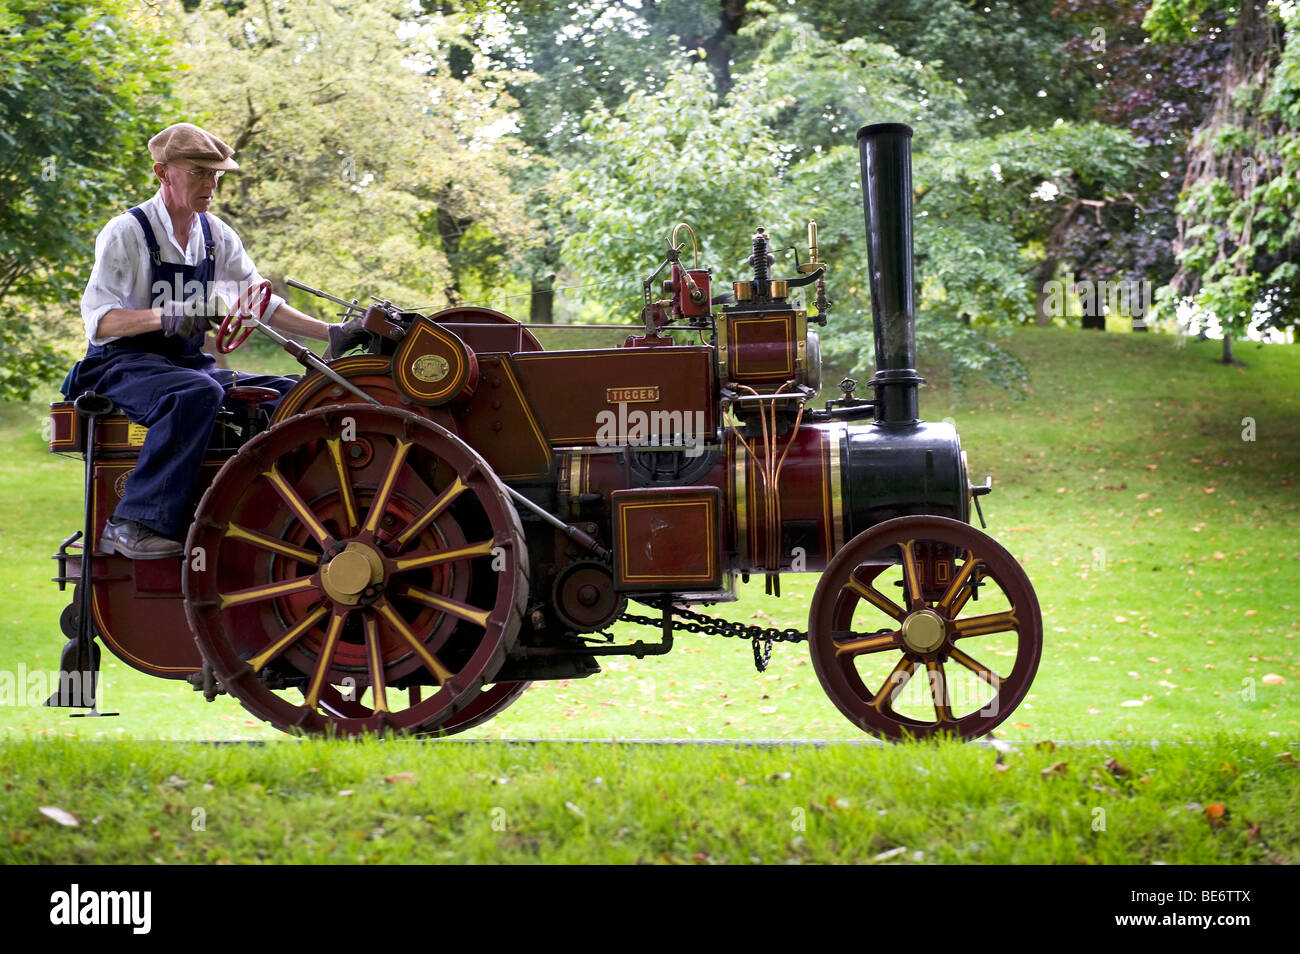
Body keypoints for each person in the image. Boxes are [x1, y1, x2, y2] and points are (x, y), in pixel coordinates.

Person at [70, 122, 368, 559]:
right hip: (121, 366)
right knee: (196, 393)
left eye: (217, 175)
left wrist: (333, 332)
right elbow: (101, 322)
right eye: (198, 172)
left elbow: (260, 303)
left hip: (187, 367)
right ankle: (131, 523)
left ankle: (278, 517)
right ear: (162, 173)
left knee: (292, 395)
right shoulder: (126, 232)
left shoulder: (217, 236)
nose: (210, 184)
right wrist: (176, 313)